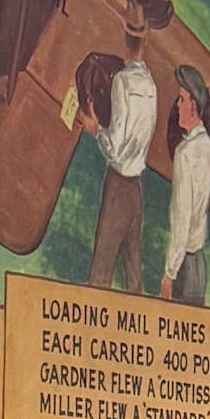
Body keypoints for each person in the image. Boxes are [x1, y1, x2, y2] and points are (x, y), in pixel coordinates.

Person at [77, 42, 157, 289]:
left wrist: (95, 130)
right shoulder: (149, 85)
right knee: (133, 273)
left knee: (100, 273)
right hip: (135, 189)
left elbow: (114, 146)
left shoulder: (122, 83)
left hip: (119, 186)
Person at [157, 69, 210, 306]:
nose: (177, 105)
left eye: (182, 100)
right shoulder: (207, 146)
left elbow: (182, 217)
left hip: (184, 270)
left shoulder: (185, 153)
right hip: (199, 266)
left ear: (194, 107)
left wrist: (169, 273)